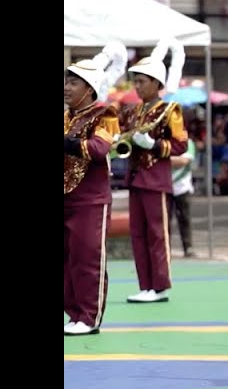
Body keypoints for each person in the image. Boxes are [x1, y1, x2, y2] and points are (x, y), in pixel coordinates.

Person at [119, 52, 188, 304]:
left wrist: (153, 144)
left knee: (157, 234)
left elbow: (180, 144)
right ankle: (145, 285)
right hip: (135, 178)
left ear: (157, 83)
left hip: (156, 179)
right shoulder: (130, 112)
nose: (137, 87)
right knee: (137, 234)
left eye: (142, 81)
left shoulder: (170, 110)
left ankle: (159, 287)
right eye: (135, 82)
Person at [64, 56, 122, 336]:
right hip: (66, 197)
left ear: (89, 88)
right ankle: (74, 314)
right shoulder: (65, 117)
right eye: (66, 81)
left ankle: (89, 317)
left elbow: (99, 149)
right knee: (67, 258)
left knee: (87, 258)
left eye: (73, 82)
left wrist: (67, 142)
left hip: (91, 199)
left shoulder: (105, 115)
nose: (66, 87)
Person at [169, 136, 196, 258]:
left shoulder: (188, 142)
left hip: (182, 187)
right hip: (166, 187)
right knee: (165, 221)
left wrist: (164, 159)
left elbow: (184, 161)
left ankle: (188, 247)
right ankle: (166, 248)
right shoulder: (166, 141)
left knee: (184, 219)